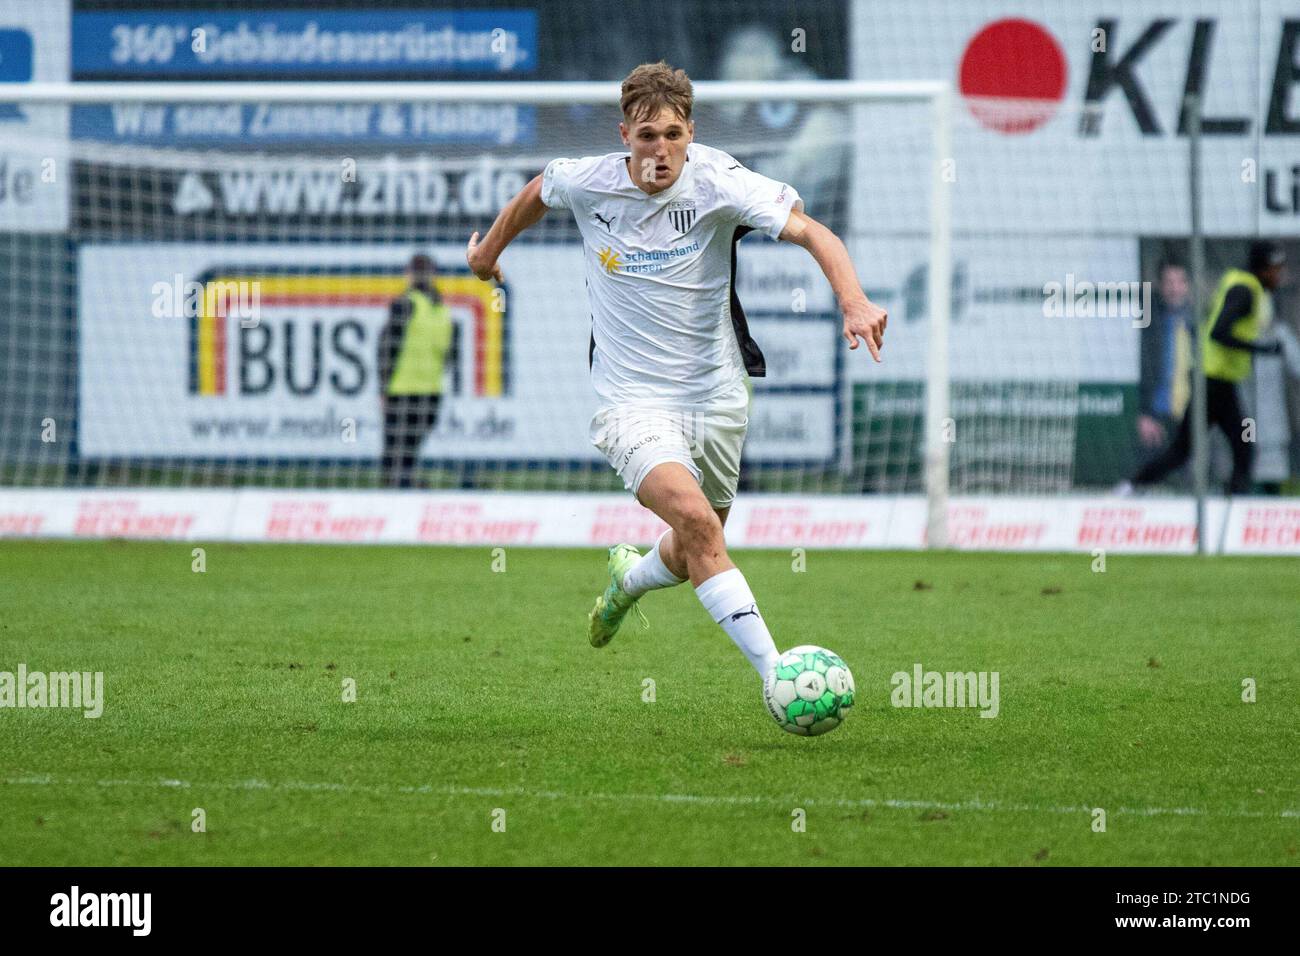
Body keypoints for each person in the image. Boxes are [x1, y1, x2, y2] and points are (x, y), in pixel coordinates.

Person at [465, 62, 886, 680]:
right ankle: (780, 676)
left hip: (716, 395)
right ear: (623, 136)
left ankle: (627, 583)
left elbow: (812, 232)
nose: (658, 151)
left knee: (698, 546)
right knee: (693, 521)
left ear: (691, 133)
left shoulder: (722, 181)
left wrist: (852, 299)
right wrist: (485, 255)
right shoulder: (590, 182)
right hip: (630, 400)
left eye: (671, 135)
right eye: (645, 137)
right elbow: (536, 193)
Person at [1121, 241, 1287, 495]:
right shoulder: (1245, 290)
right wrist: (1261, 349)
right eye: (1275, 269)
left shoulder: (1239, 282)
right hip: (1212, 383)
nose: (1279, 275)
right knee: (1199, 449)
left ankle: (1234, 501)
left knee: (1243, 443)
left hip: (1222, 384)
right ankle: (1131, 487)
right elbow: (1220, 331)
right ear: (1263, 268)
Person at [377, 254, 456, 490]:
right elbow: (451, 355)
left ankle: (395, 499)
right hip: (431, 393)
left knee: (394, 454)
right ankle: (409, 487)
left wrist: (382, 387)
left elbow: (386, 347)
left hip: (401, 391)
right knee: (411, 450)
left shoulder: (405, 303)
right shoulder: (441, 310)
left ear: (409, 274)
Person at [1136, 261, 1193, 461]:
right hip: (1156, 414)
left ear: (1187, 286)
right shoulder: (1148, 323)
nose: (1174, 289)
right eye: (1169, 282)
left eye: (1179, 282)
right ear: (1160, 286)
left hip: (1189, 414)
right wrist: (1144, 413)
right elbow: (1142, 368)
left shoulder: (1197, 324)